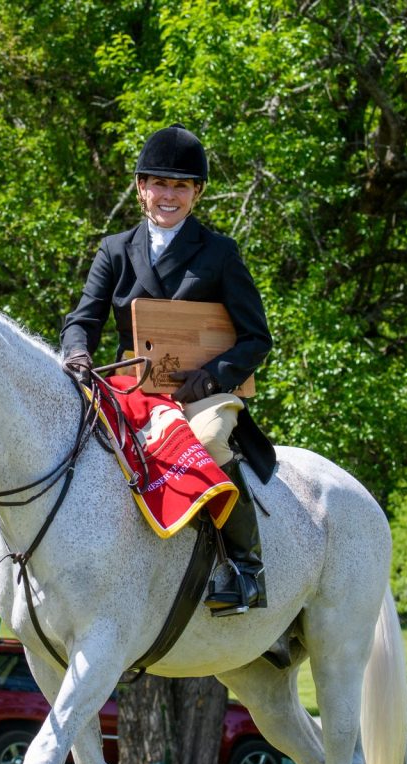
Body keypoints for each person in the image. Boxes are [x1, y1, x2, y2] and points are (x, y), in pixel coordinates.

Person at [61, 122, 274, 615]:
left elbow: (256, 337)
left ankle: (245, 567)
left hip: (203, 391)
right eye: (159, 183)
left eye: (180, 185)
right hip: (131, 388)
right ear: (141, 188)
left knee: (211, 440)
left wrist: (215, 374)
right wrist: (77, 353)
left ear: (197, 193)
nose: (168, 195)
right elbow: (84, 319)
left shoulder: (220, 253)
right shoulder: (114, 250)